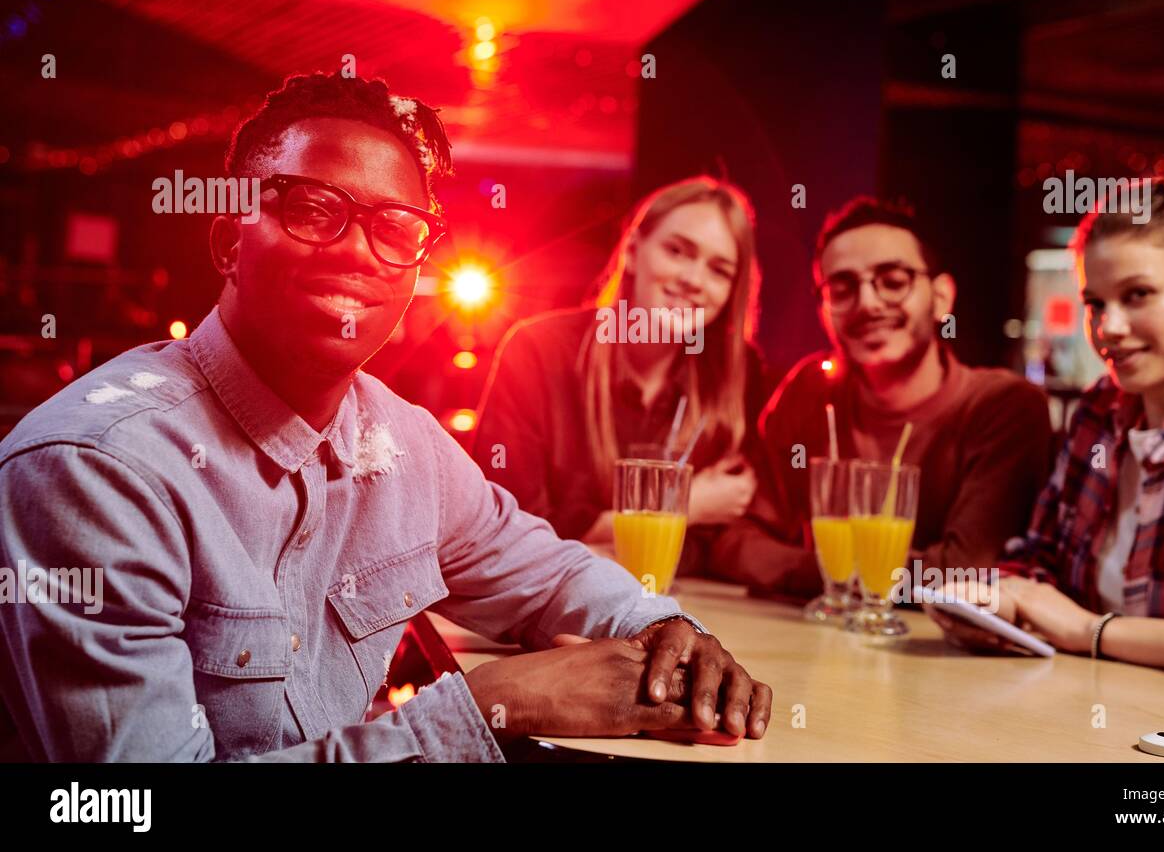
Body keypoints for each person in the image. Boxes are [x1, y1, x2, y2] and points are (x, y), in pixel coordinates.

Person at [0, 72, 772, 762]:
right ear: (228, 241)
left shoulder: (406, 444)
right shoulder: (95, 470)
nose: (360, 251)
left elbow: (544, 573)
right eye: (313, 208)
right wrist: (492, 703)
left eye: (397, 229)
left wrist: (666, 629)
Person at [929, 185, 1164, 691]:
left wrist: (1093, 632)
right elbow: (1039, 558)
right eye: (1095, 303)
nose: (1110, 327)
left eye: (1138, 295)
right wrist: (999, 601)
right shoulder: (1099, 412)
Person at [709, 196, 1053, 595]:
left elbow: (962, 572)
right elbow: (735, 542)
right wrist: (850, 575)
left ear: (941, 297)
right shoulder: (809, 392)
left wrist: (825, 574)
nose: (868, 304)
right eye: (842, 288)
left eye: (893, 282)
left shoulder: (1003, 407)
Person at [472, 176, 773, 577]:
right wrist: (684, 506)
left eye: (719, 271)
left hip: (685, 613)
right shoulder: (538, 350)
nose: (694, 280)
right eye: (677, 251)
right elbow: (507, 527)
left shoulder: (736, 374)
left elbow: (725, 537)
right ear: (633, 249)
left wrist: (602, 531)